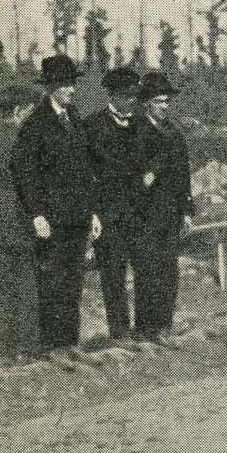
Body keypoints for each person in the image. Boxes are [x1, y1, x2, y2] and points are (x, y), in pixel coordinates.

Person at [12, 54, 101, 359]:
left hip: (77, 214)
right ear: (51, 87)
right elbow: (25, 172)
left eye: (73, 83)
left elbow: (86, 168)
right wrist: (36, 213)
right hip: (51, 218)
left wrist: (92, 211)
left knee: (74, 278)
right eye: (65, 84)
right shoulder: (35, 124)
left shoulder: (74, 118)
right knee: (53, 280)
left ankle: (70, 342)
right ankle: (53, 345)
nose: (71, 89)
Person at [0, 83, 43, 364]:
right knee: (25, 283)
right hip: (19, 215)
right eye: (30, 111)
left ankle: (5, 349)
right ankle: (25, 347)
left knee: (3, 285)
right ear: (18, 111)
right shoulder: (23, 141)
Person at [83, 66, 147, 341]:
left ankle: (145, 328)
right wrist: (93, 212)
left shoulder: (142, 125)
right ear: (111, 96)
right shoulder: (92, 126)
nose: (130, 101)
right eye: (124, 96)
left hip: (139, 211)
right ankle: (119, 331)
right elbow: (85, 173)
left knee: (145, 268)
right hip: (108, 211)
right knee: (113, 273)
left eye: (133, 96)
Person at [132, 72, 194, 341]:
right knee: (147, 268)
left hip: (171, 211)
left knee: (169, 268)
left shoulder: (174, 133)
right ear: (147, 103)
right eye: (159, 101)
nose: (164, 106)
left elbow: (184, 174)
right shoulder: (135, 131)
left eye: (167, 101)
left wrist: (186, 209)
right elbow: (132, 173)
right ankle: (146, 327)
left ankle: (164, 324)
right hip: (145, 212)